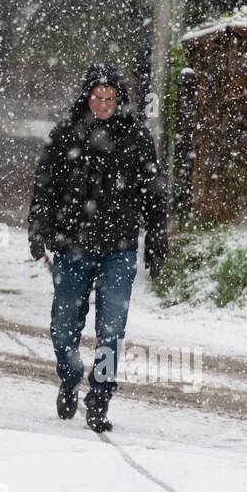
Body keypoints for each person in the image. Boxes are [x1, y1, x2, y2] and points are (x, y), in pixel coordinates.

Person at [27, 63, 168, 433]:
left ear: (119, 100)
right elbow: (45, 187)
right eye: (97, 96)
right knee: (63, 325)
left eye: (110, 98)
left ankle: (101, 394)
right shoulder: (66, 136)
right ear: (87, 97)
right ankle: (70, 374)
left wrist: (156, 236)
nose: (103, 103)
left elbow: (152, 193)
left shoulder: (136, 138)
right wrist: (38, 229)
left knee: (112, 330)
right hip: (72, 245)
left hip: (118, 248)